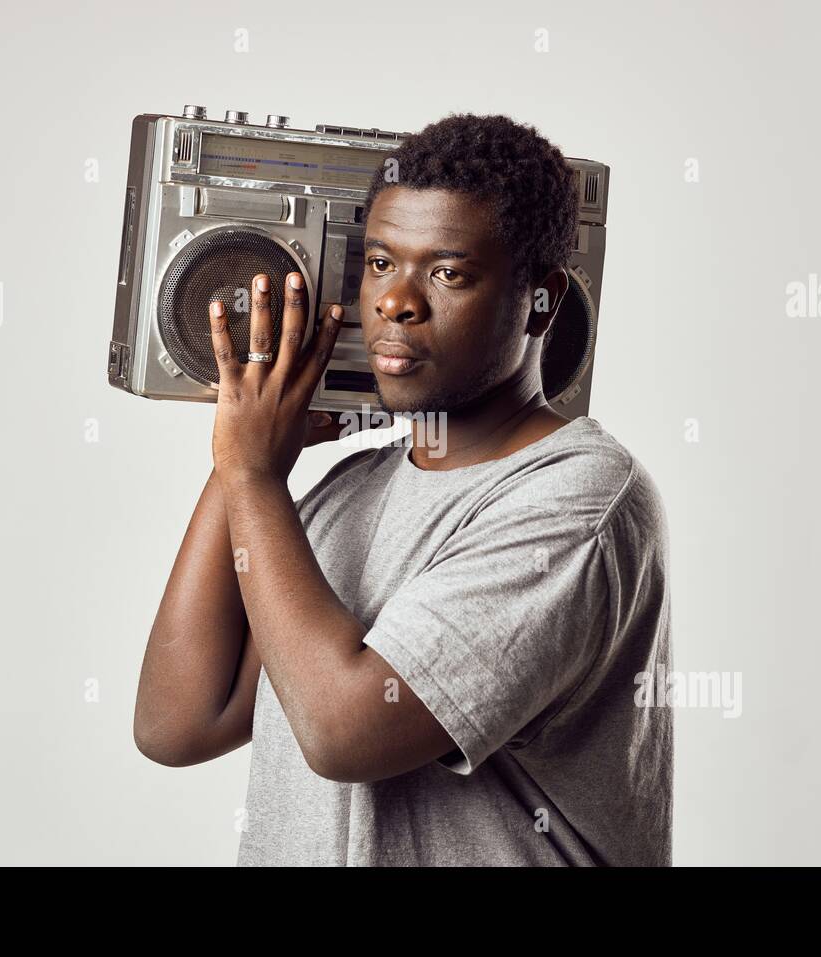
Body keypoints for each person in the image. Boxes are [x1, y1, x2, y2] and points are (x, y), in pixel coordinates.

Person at [132, 112, 673, 866]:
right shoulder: (354, 486)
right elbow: (178, 721)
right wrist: (242, 463)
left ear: (542, 300)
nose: (395, 301)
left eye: (447, 272)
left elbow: (343, 730)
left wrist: (253, 474)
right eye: (381, 263)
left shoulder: (579, 500)